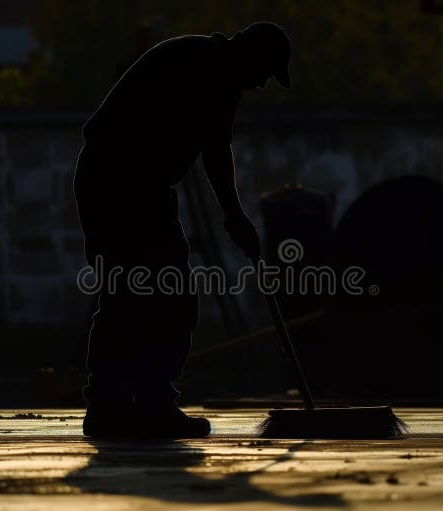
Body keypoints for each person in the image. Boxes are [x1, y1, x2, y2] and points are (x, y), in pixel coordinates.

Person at [74, 21, 292, 438]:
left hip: (126, 182)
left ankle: (126, 403)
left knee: (140, 291)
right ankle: (133, 405)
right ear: (252, 57)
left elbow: (213, 148)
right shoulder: (213, 71)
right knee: (143, 293)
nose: (262, 85)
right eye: (265, 73)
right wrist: (234, 216)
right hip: (121, 182)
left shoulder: (207, 60)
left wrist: (233, 215)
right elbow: (214, 151)